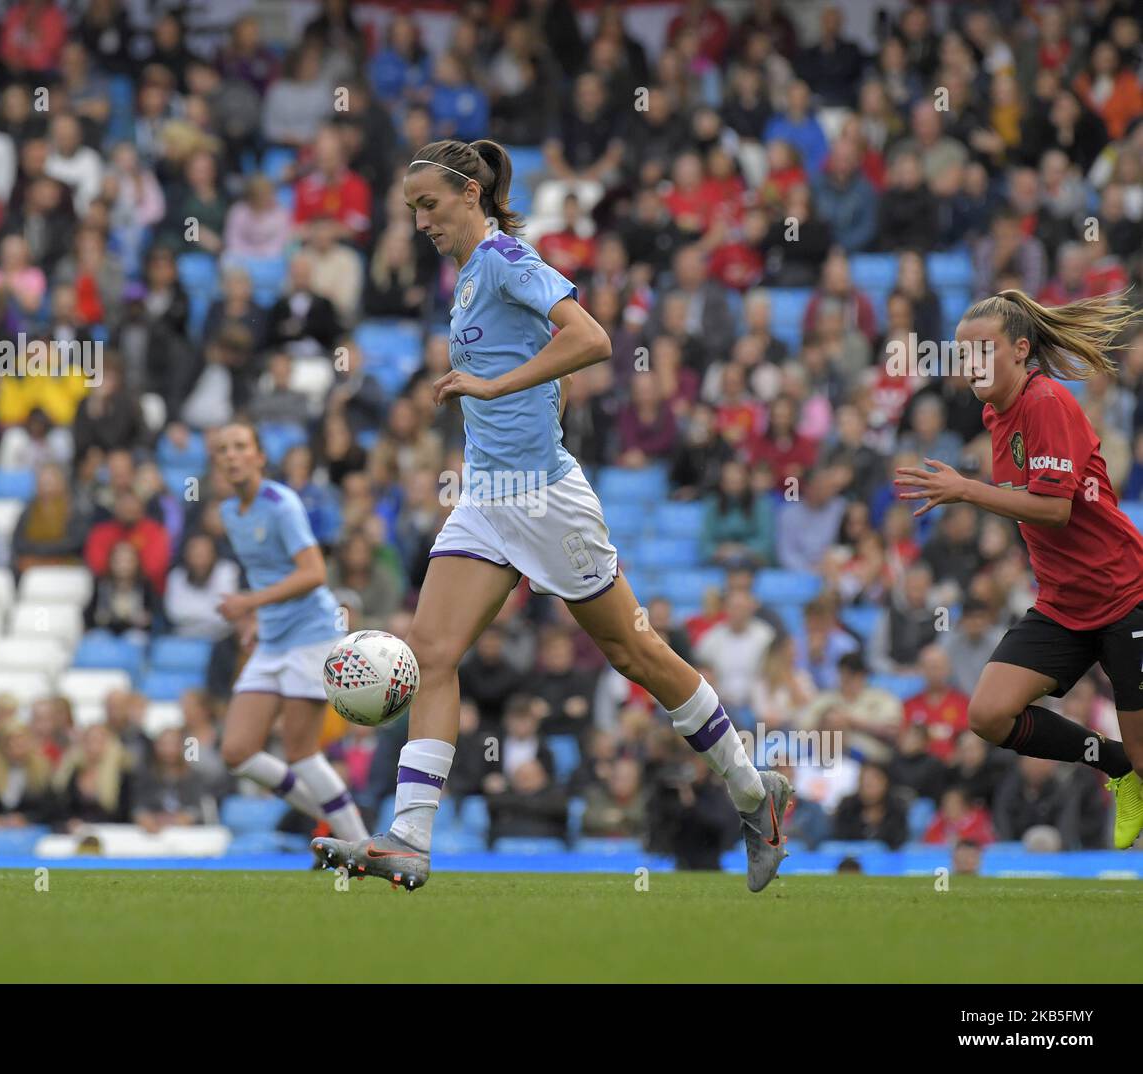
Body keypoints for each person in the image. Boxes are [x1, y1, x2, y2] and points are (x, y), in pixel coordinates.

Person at [312, 139, 789, 892]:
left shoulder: (504, 259)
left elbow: (591, 340)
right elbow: (545, 361)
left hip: (545, 501)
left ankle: (754, 795)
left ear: (470, 193)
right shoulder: (468, 275)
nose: (421, 220)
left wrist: (500, 391)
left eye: (429, 204)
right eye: (412, 210)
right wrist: (519, 400)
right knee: (431, 654)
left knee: (639, 657)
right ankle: (409, 837)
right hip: (485, 502)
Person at [896, 290, 1143, 849]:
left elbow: (1054, 509)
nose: (973, 364)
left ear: (1020, 350)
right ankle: (1114, 763)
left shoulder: (1046, 402)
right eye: (965, 355)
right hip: (1064, 602)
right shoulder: (996, 412)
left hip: (1124, 593)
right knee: (986, 713)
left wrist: (967, 490)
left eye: (984, 350)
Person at [213, 422, 369, 844]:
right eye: (223, 449)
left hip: (312, 635)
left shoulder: (282, 504)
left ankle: (361, 847)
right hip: (273, 638)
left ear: (260, 457)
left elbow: (315, 574)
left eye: (240, 445)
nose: (231, 455)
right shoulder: (230, 512)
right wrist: (253, 620)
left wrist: (249, 604)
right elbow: (269, 573)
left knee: (301, 753)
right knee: (237, 751)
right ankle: (337, 823)